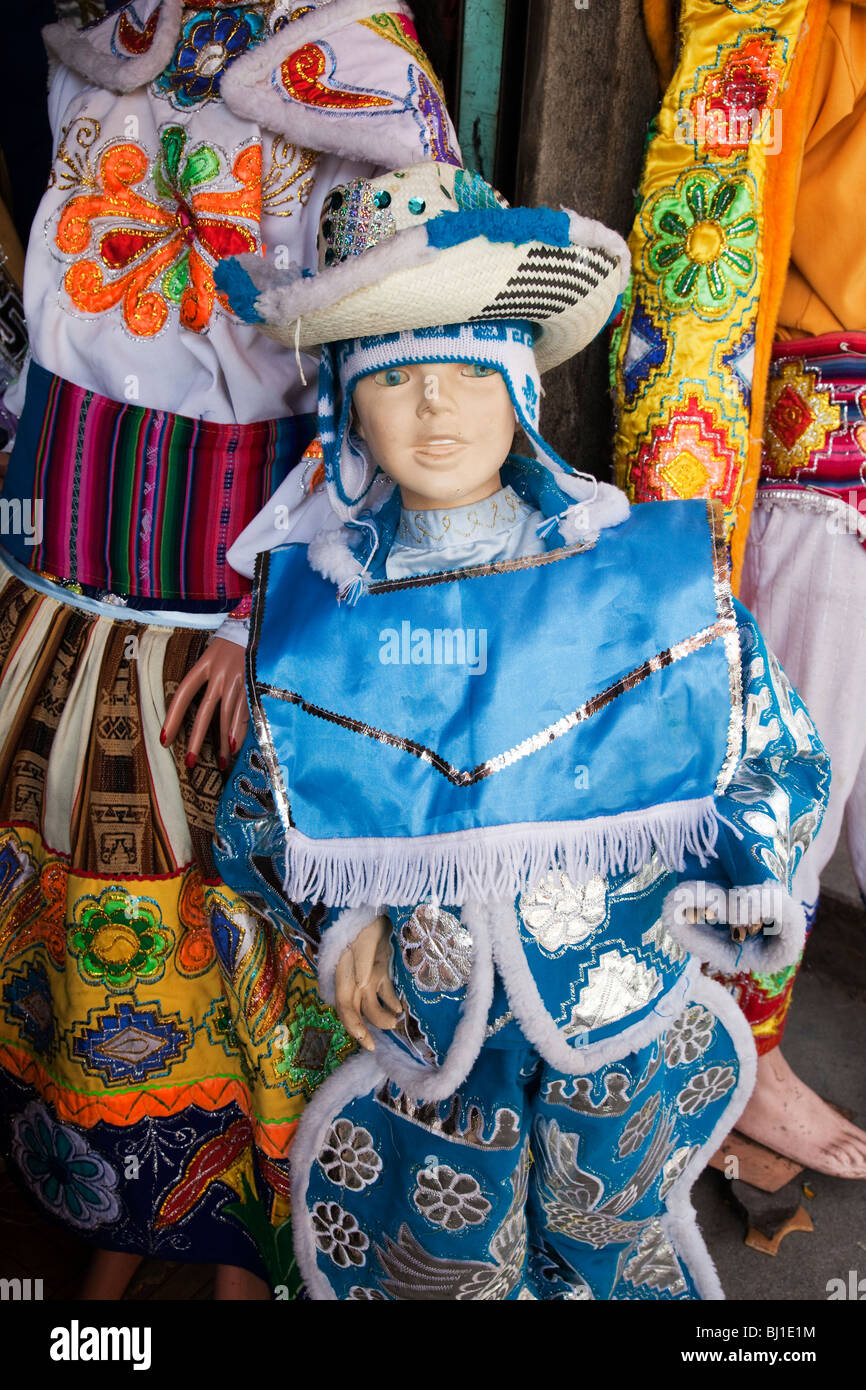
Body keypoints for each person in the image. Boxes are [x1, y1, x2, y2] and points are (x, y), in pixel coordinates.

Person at [210, 161, 829, 1299]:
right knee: (445, 1249)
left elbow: (770, 743)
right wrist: (340, 911)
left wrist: (736, 870)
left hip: (618, 1001)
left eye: (465, 373)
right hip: (428, 1012)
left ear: (521, 392)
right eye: (396, 382)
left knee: (613, 1233)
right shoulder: (328, 612)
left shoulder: (627, 582)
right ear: (346, 402)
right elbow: (267, 798)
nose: (434, 409)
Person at [0, 0, 458, 1298]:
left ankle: (244, 1243)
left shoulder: (351, 64)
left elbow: (402, 353)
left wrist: (273, 605)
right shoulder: (101, 31)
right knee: (93, 923)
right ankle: (117, 1214)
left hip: (227, 599)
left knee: (241, 935)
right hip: (68, 575)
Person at [612, 0, 866, 1177]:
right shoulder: (776, 18)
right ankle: (736, 1055)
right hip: (824, 457)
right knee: (783, 790)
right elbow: (700, 268)